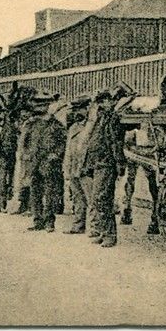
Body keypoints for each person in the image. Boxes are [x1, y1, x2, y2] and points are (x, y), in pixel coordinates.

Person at [82, 85, 131, 248]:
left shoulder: (113, 119)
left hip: (106, 163)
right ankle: (103, 232)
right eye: (101, 102)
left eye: (106, 101)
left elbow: (116, 143)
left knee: (103, 198)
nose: (103, 104)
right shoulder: (101, 118)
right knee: (98, 199)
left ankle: (110, 235)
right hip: (97, 163)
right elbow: (93, 141)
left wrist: (119, 163)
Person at [28, 101, 69, 232]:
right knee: (35, 192)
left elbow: (64, 142)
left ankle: (49, 222)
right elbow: (26, 140)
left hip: (49, 163)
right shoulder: (33, 124)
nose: (39, 108)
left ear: (47, 108)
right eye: (38, 105)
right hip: (35, 162)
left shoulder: (56, 124)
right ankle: (37, 220)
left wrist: (56, 154)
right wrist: (28, 154)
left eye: (42, 106)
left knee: (50, 193)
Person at [62, 96, 93, 234]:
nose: (76, 113)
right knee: (77, 197)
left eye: (79, 109)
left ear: (87, 109)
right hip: (74, 167)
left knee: (91, 198)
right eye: (74, 110)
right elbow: (68, 150)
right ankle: (78, 225)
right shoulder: (73, 127)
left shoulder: (91, 127)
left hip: (86, 167)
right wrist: (66, 168)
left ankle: (95, 228)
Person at [121, 129, 160, 234]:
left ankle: (127, 211)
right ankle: (154, 217)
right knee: (152, 184)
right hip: (149, 142)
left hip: (138, 144)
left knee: (131, 179)